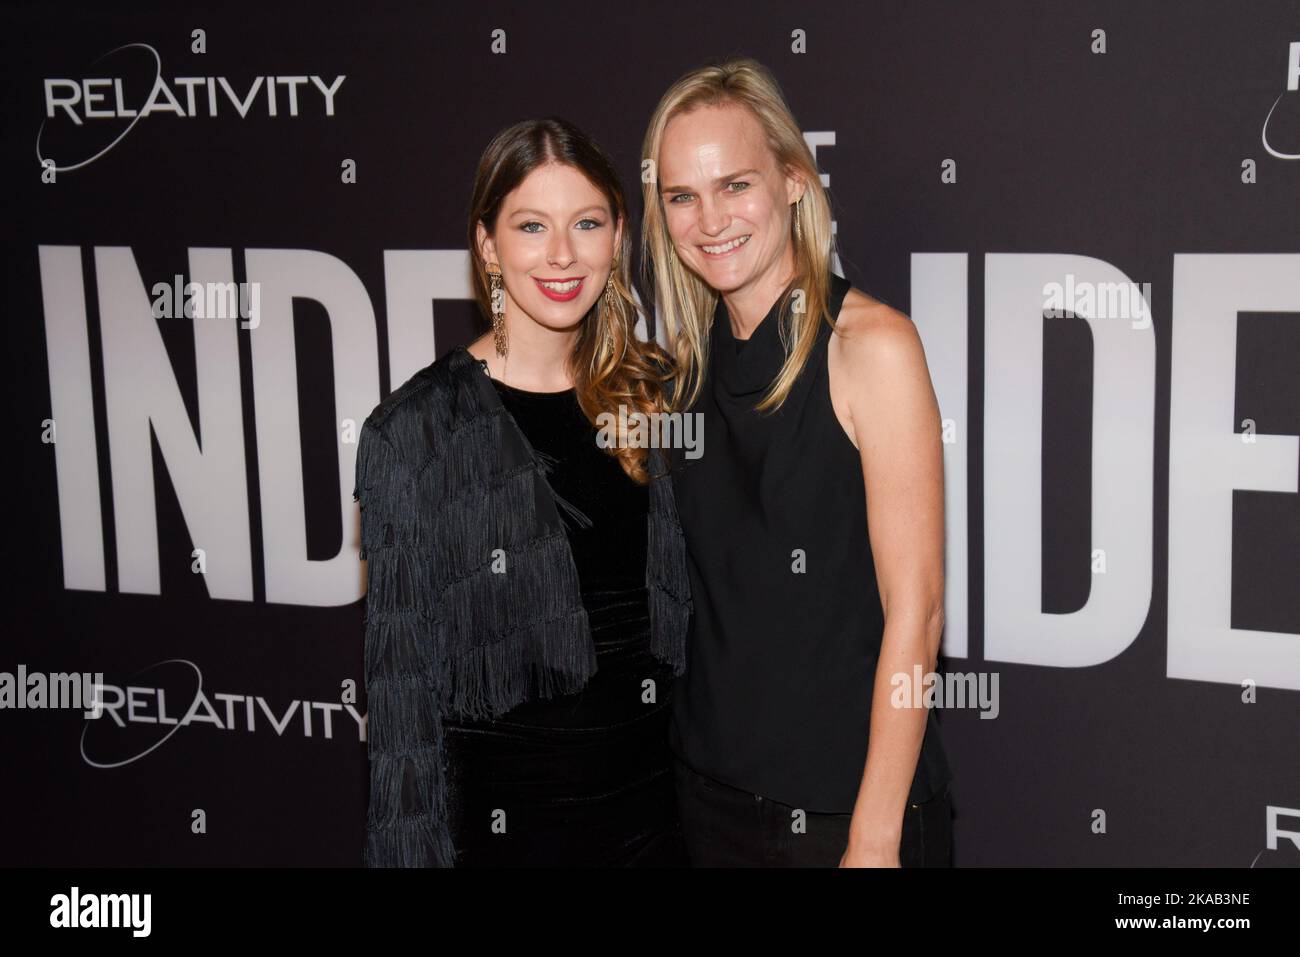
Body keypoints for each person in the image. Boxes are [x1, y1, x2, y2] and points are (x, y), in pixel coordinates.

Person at [641, 57, 954, 867]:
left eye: (735, 184)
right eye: (683, 196)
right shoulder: (682, 371)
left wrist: (874, 839)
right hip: (705, 803)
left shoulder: (871, 346)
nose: (711, 219)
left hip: (846, 817)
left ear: (792, 181)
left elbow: (916, 615)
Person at [354, 117, 692, 867]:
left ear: (618, 236)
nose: (563, 254)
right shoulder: (415, 433)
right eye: (532, 225)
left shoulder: (657, 398)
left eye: (587, 222)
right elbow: (404, 708)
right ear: (487, 245)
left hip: (661, 831)